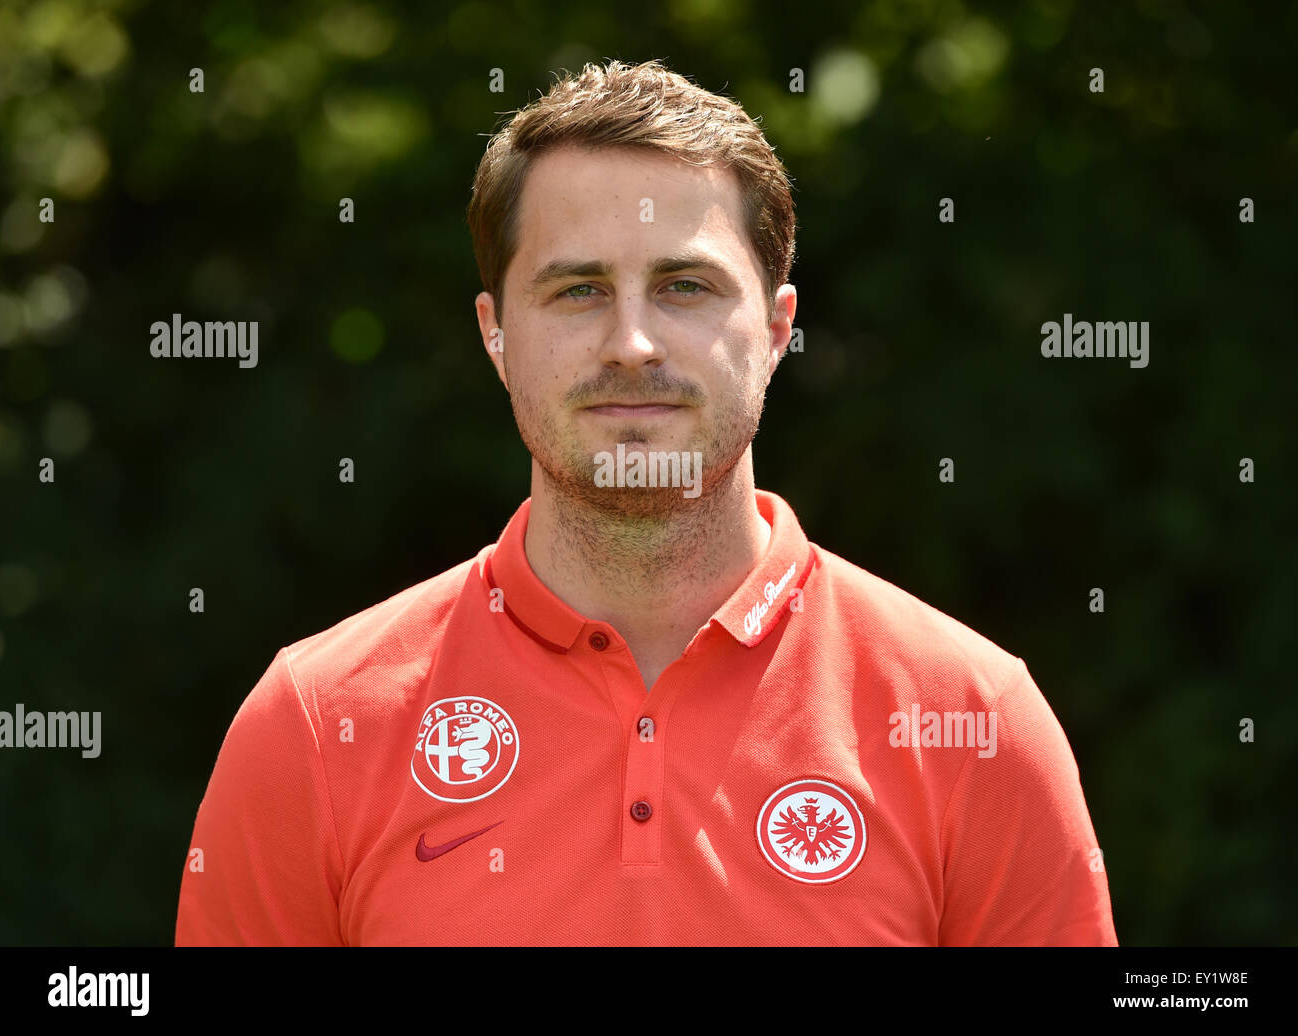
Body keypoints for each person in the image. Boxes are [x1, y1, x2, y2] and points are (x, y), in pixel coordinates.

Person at [175, 58, 1117, 946]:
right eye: (579, 290)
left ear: (779, 327)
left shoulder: (972, 719)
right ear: (495, 335)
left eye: (684, 286)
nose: (631, 342)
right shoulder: (314, 723)